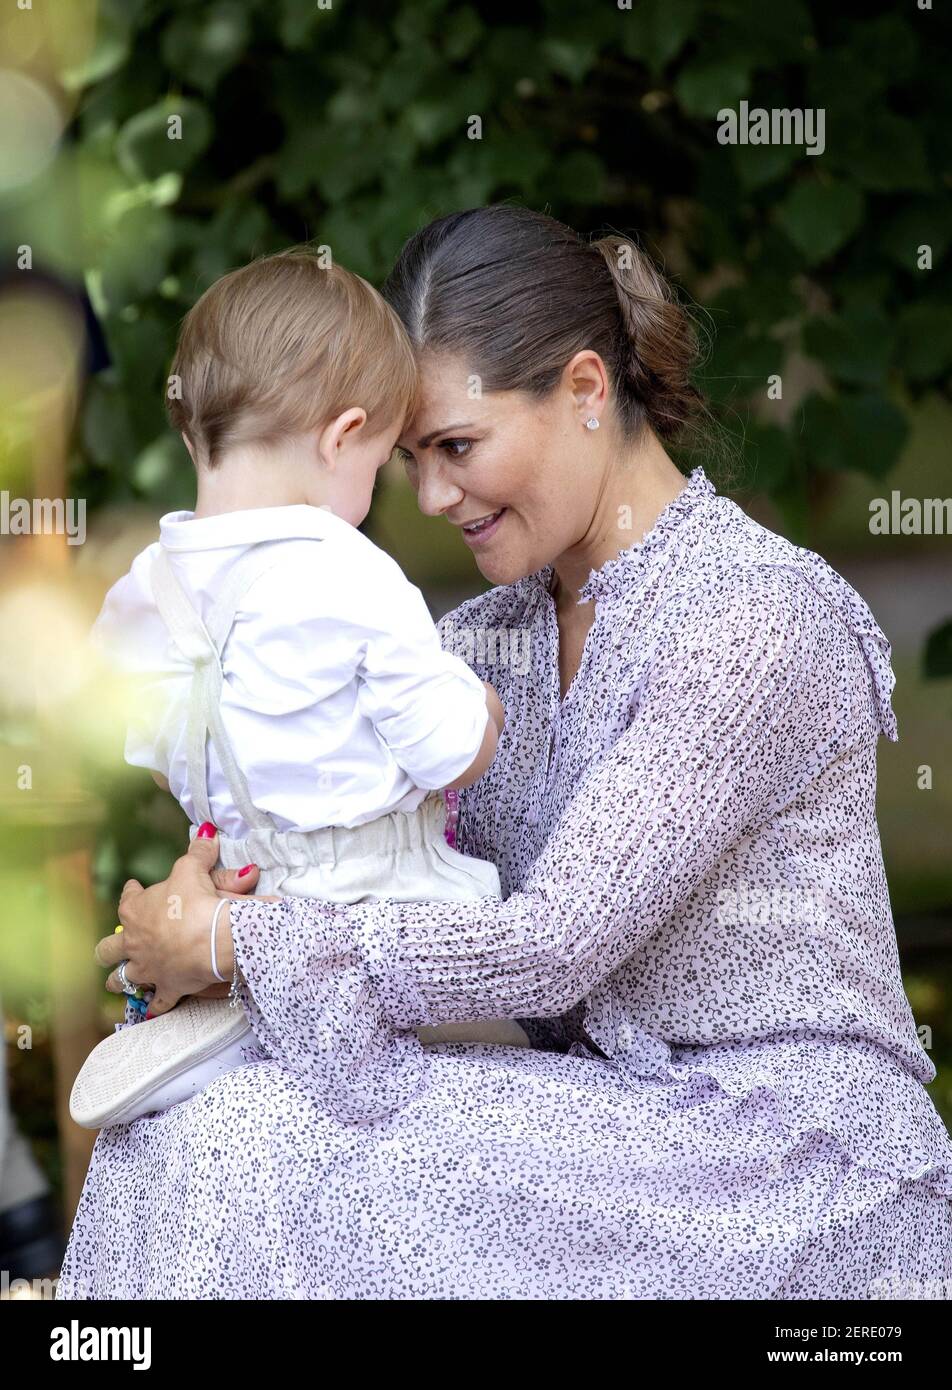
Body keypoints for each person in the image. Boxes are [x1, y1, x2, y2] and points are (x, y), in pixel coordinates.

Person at [58, 205, 952, 1299]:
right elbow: (374, 874)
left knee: (247, 1144)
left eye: (458, 447)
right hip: (596, 1120)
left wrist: (240, 942)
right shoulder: (478, 640)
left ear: (584, 390)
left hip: (784, 1156)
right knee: (182, 1124)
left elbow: (551, 948)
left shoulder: (748, 620)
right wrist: (223, 880)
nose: (432, 498)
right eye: (409, 459)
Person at [70, 250, 527, 1132]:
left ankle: (225, 1037)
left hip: (241, 910)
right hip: (381, 923)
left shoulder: (138, 592)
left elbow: (158, 758)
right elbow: (446, 752)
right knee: (512, 1094)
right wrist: (484, 711)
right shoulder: (351, 574)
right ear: (340, 436)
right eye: (385, 458)